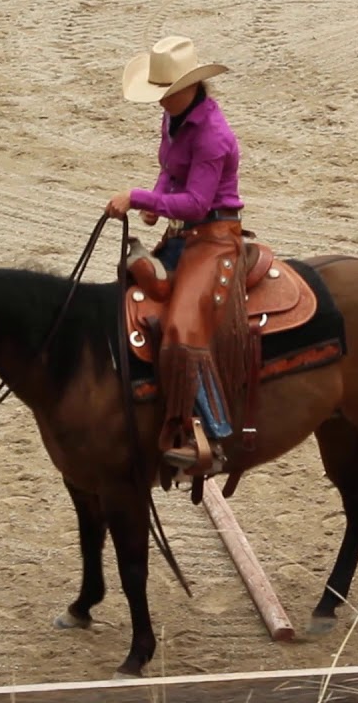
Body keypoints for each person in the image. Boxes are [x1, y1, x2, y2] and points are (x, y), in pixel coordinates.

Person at [106, 35, 249, 473]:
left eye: (165, 94)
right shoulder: (176, 118)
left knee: (184, 327)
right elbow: (172, 171)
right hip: (186, 236)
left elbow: (198, 204)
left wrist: (139, 199)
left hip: (215, 238)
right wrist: (157, 195)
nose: (160, 102)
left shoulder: (213, 136)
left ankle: (209, 434)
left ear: (189, 88)